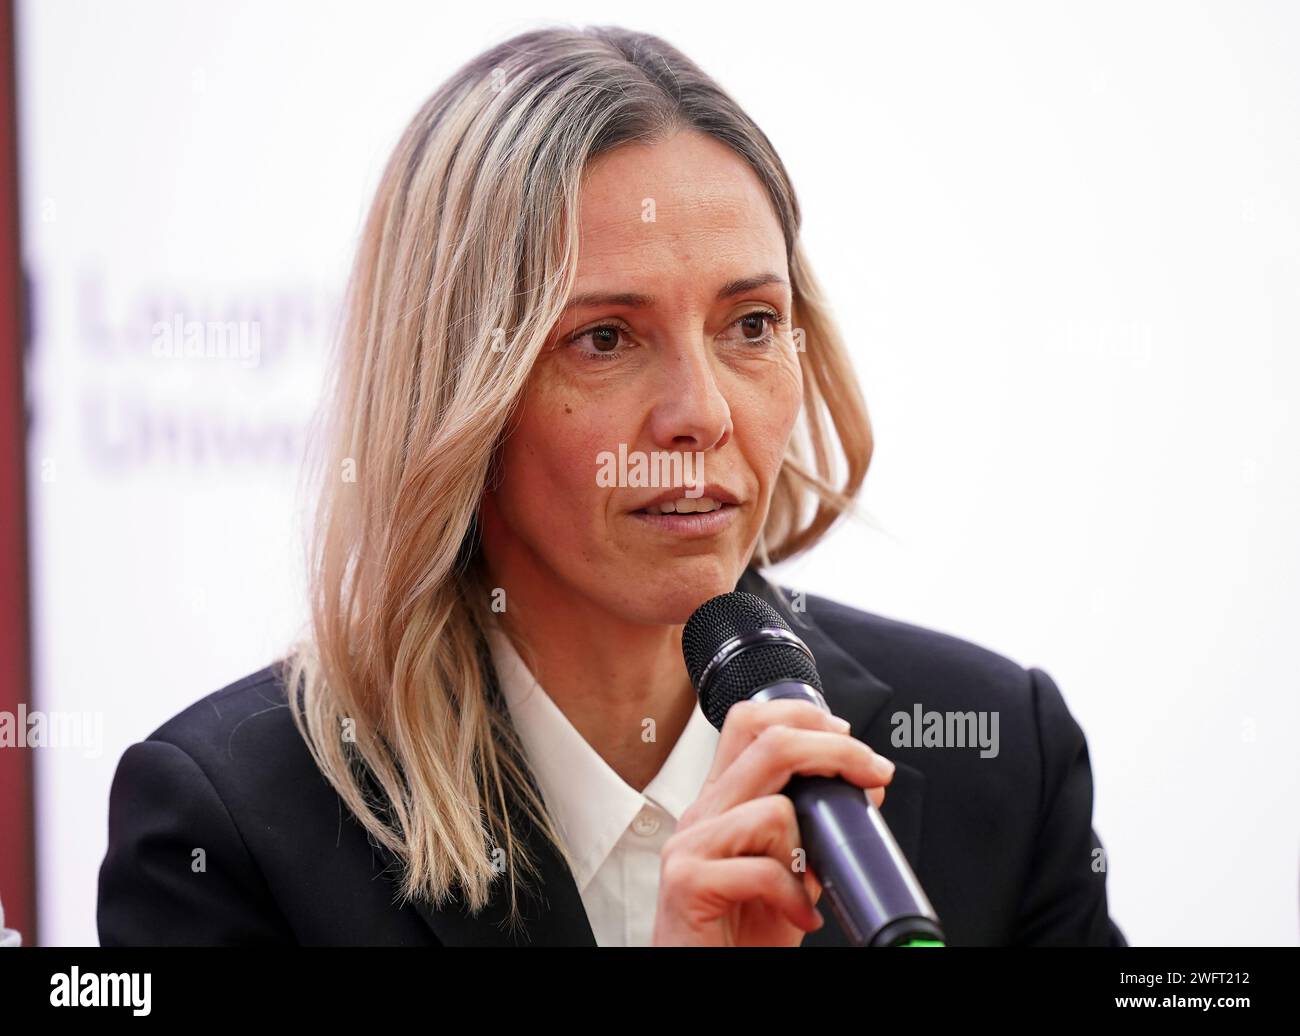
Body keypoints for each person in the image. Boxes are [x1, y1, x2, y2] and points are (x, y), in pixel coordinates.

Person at [98, 25, 1125, 947]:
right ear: (455, 387)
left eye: (750, 325)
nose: (703, 412)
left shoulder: (997, 755)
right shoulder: (230, 828)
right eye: (604, 338)